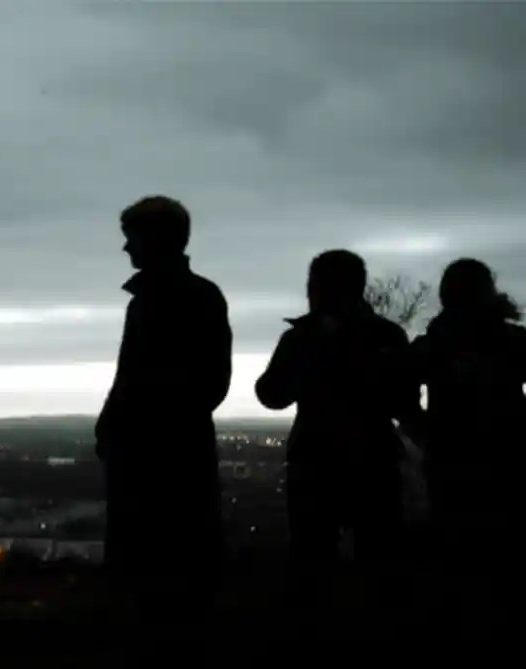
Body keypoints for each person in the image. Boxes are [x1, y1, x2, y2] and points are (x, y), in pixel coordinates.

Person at [94, 196, 232, 618]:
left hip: (160, 458)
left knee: (160, 571)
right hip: (167, 452)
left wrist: (131, 428)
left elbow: (196, 383)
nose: (125, 249)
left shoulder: (174, 299)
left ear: (155, 239)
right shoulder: (188, 297)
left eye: (131, 238)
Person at [255, 250, 413, 594]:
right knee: (372, 563)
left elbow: (271, 395)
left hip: (321, 460)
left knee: (321, 563)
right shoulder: (386, 336)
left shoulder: (303, 338)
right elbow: (404, 403)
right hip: (366, 459)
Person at [410, 259, 525, 616]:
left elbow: (398, 394)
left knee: (457, 557)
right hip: (507, 458)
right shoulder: (512, 340)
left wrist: (424, 431)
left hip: (451, 459)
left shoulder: (432, 345)